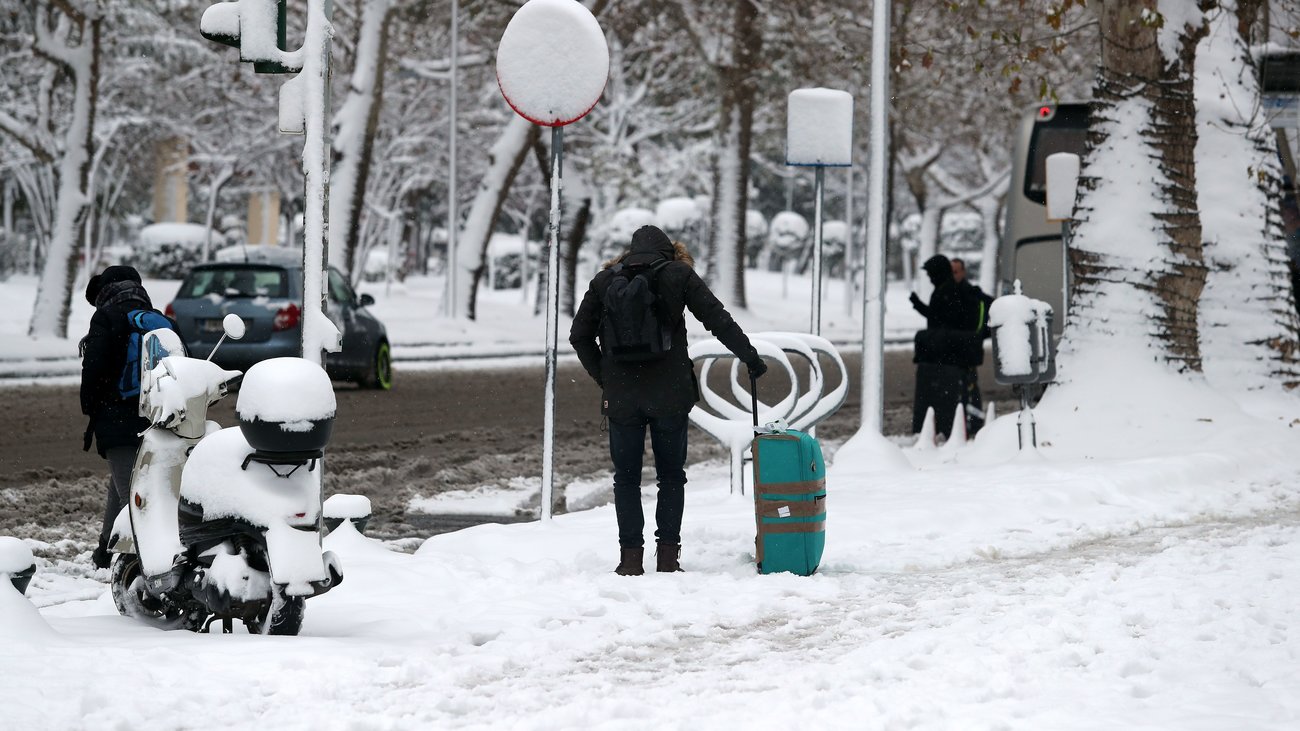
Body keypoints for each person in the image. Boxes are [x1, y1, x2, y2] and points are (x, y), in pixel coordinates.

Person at [570, 225, 767, 576]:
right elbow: (716, 320)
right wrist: (749, 356)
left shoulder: (604, 282)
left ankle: (630, 559)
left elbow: (579, 336)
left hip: (623, 397)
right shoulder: (678, 275)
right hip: (670, 394)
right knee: (671, 477)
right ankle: (667, 557)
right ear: (670, 251)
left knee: (626, 479)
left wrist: (607, 379)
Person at [79, 265, 178, 569]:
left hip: (118, 420)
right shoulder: (161, 320)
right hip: (158, 416)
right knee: (120, 485)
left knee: (132, 500)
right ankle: (105, 553)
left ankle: (143, 568)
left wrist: (92, 409)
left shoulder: (106, 318)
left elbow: (94, 369)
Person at [908, 254, 982, 439]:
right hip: (946, 353)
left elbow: (944, 321)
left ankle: (969, 424)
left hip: (949, 355)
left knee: (962, 391)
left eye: (932, 274)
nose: (930, 278)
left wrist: (938, 339)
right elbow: (937, 318)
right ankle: (964, 423)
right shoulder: (944, 289)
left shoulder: (950, 291)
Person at [950, 257, 994, 434]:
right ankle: (959, 423)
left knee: (969, 387)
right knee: (955, 388)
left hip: (967, 351)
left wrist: (977, 336)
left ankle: (974, 424)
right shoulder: (947, 293)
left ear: (963, 272)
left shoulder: (971, 293)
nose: (953, 275)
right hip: (953, 351)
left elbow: (989, 308)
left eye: (955, 271)